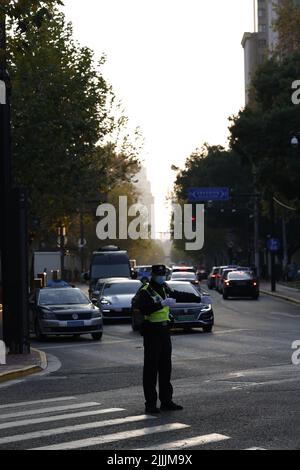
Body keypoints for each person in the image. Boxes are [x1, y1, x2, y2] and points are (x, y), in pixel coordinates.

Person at [137, 264, 201, 414]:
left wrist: (198, 298)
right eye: (159, 274)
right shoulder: (145, 290)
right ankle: (150, 404)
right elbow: (143, 308)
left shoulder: (165, 287)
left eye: (163, 274)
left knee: (166, 368)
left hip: (165, 331)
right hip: (152, 332)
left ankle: (166, 401)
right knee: (151, 370)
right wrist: (160, 304)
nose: (161, 277)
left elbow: (179, 294)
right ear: (153, 275)